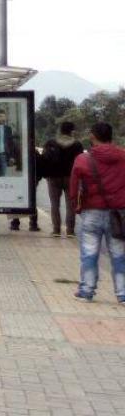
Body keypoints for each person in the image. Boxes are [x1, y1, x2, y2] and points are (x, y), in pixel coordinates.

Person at [68, 122, 125, 303]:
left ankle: (86, 291)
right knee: (119, 254)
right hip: (118, 214)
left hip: (91, 211)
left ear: (93, 136)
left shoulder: (83, 159)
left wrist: (76, 206)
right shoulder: (123, 156)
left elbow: (73, 188)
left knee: (89, 252)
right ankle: (123, 294)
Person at [42, 122, 84, 238]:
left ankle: (56, 230)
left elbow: (45, 159)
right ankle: (70, 231)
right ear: (72, 131)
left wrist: (46, 175)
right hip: (71, 177)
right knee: (71, 205)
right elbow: (80, 162)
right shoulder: (77, 145)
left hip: (53, 177)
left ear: (60, 130)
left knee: (54, 204)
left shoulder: (50, 143)